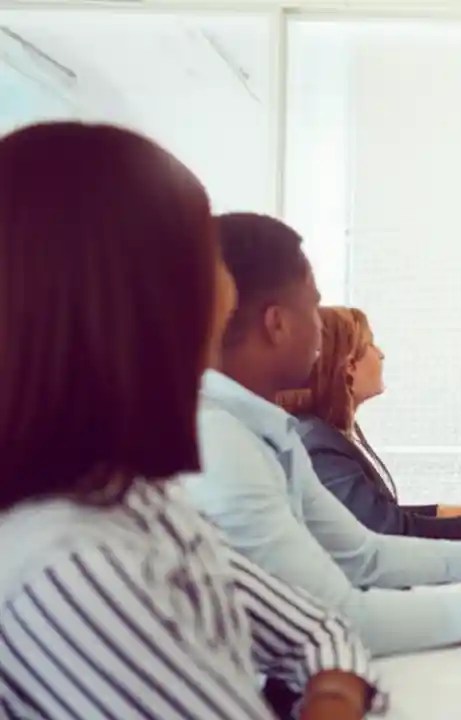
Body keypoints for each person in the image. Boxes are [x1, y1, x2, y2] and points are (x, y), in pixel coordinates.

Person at [0, 122, 382, 719]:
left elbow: (321, 629)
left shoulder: (135, 501)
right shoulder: (72, 565)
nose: (229, 291)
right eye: (205, 257)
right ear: (134, 298)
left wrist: (331, 693)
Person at [181, 213, 461, 660]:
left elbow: (363, 553)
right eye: (311, 308)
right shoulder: (221, 445)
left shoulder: (270, 432)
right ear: (277, 324)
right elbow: (336, 614)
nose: (321, 329)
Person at [280, 307, 461, 540]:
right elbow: (384, 529)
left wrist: (444, 511)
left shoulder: (322, 434)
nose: (381, 354)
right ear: (349, 366)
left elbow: (376, 513)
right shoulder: (318, 447)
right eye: (371, 344)